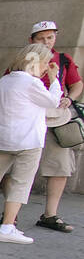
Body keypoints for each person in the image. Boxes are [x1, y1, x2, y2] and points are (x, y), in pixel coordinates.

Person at [0, 43, 61, 244]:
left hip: (3, 137)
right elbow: (53, 102)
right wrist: (54, 79)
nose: (47, 67)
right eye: (46, 63)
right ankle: (7, 226)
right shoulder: (31, 83)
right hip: (28, 140)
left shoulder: (5, 80)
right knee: (20, 183)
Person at [28, 20, 82, 232]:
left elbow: (77, 84)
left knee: (60, 165)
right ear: (31, 40)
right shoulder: (25, 58)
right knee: (17, 164)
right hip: (29, 118)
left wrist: (70, 99)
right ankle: (9, 214)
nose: (46, 42)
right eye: (41, 38)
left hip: (55, 120)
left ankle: (50, 214)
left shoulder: (63, 59)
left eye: (50, 37)